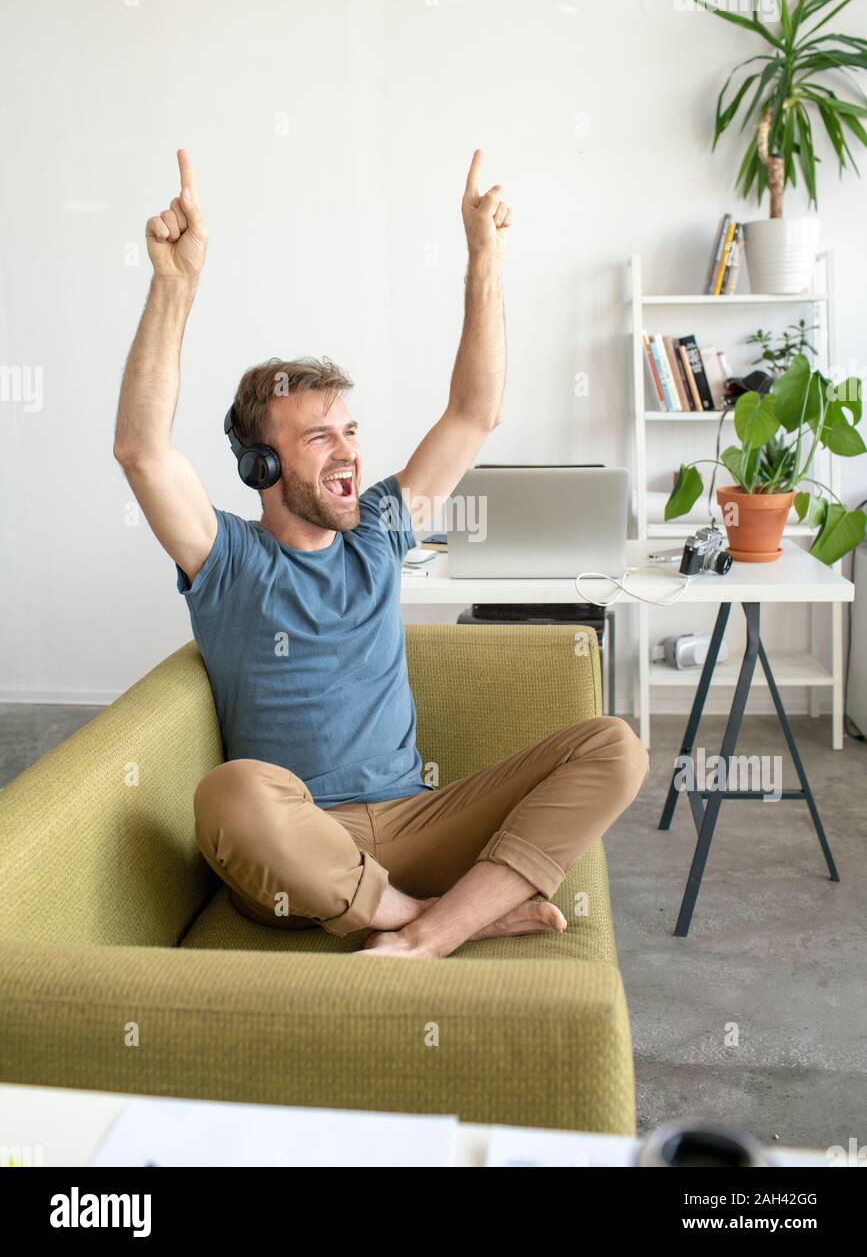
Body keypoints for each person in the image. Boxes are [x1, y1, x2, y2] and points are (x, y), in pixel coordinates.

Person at [114, 147, 648, 959]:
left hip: (416, 820)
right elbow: (142, 450)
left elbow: (473, 413)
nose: (349, 453)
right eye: (319, 436)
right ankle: (427, 915)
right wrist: (175, 282)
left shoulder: (376, 529)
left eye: (352, 432)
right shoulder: (227, 560)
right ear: (261, 465)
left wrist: (483, 257)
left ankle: (427, 922)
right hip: (301, 848)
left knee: (615, 745)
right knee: (229, 794)